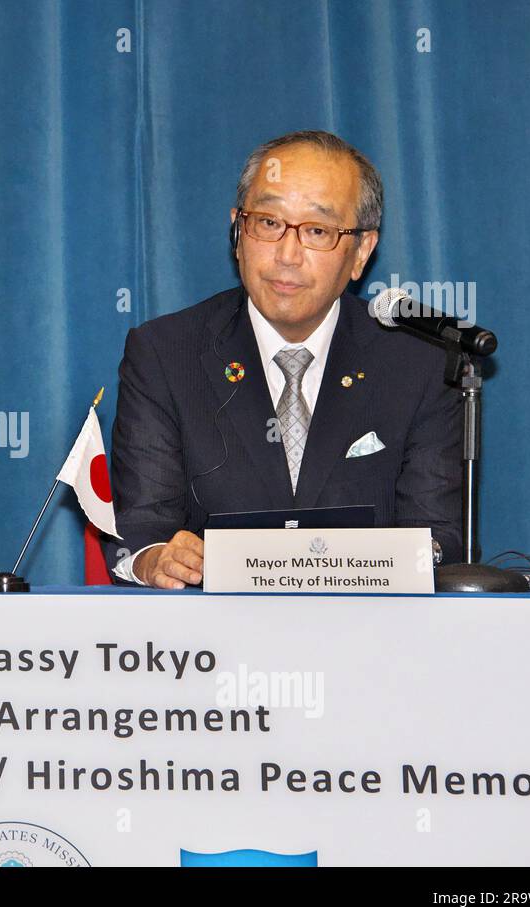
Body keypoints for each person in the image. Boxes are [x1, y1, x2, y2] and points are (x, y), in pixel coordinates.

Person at [108, 130, 460, 588]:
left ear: (362, 252)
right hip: (213, 644)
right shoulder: (165, 353)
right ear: (238, 231)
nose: (287, 255)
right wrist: (156, 560)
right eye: (269, 223)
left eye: (317, 231)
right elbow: (141, 530)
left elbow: (436, 535)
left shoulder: (420, 363)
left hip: (372, 636)